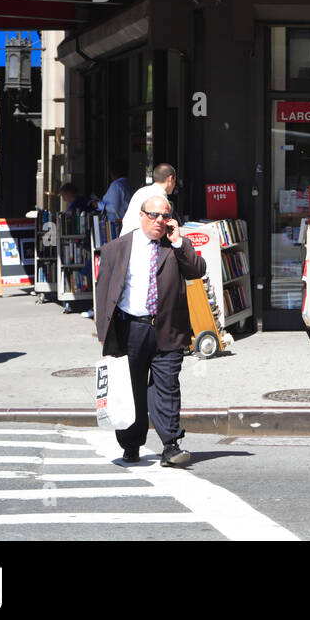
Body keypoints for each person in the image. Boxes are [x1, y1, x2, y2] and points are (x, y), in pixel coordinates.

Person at [95, 194, 206, 466]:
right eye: (154, 215)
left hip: (168, 328)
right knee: (131, 390)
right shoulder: (116, 249)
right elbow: (103, 292)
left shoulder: (174, 246)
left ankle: (171, 445)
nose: (160, 221)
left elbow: (197, 270)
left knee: (166, 387)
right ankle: (131, 445)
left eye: (165, 216)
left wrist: (179, 241)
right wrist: (104, 335)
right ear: (142, 216)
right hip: (130, 329)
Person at [120, 163, 177, 236]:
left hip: (125, 239)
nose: (175, 184)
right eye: (175, 181)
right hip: (141, 242)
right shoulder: (160, 200)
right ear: (170, 178)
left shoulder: (141, 191)